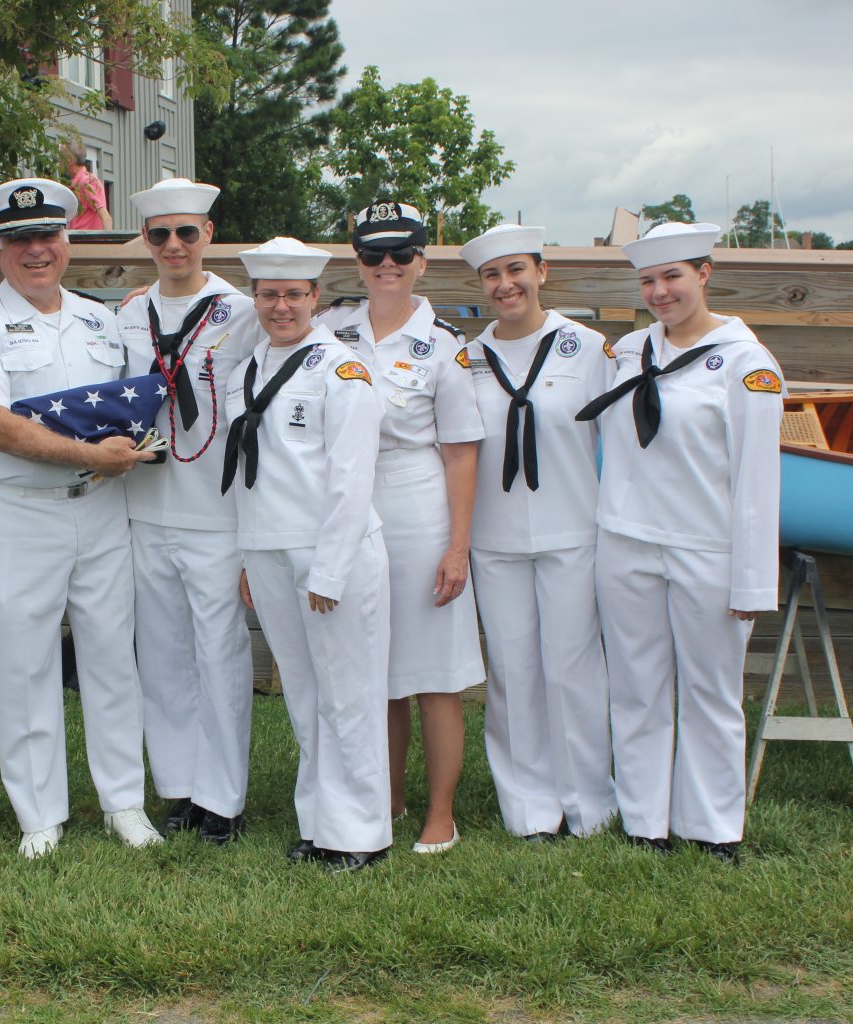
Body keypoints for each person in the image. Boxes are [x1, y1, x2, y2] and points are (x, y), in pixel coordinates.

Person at [0, 177, 160, 858]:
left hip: (99, 511)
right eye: (20, 240)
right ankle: (41, 815)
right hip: (16, 515)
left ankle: (125, 803)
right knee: (23, 665)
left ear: (67, 241)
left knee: (112, 662)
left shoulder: (101, 320)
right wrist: (92, 455)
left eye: (48, 237)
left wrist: (112, 456)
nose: (36, 250)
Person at [576, 222, 784, 863]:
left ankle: (714, 825)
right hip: (627, 542)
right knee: (636, 686)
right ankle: (646, 821)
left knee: (710, 691)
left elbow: (757, 481)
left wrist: (752, 579)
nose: (660, 292)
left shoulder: (748, 364)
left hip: (706, 548)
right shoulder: (630, 350)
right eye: (647, 280)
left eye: (672, 277)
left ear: (704, 274)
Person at [314, 201, 484, 855]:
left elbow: (462, 449)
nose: (386, 266)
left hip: (419, 510)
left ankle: (440, 813)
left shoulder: (444, 344)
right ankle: (384, 797)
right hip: (349, 507)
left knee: (434, 675)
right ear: (356, 258)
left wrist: (458, 547)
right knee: (371, 666)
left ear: (422, 260)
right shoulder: (330, 328)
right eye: (372, 254)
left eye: (401, 254)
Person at [222, 237, 391, 872]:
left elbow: (353, 478)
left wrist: (331, 567)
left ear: (316, 299)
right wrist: (248, 553)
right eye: (269, 295)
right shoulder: (247, 371)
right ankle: (320, 822)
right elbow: (249, 473)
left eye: (294, 295)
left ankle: (360, 835)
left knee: (348, 695)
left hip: (330, 554)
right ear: (256, 300)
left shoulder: (341, 370)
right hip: (268, 548)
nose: (281, 306)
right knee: (303, 695)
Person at [458, 224, 617, 841]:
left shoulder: (590, 349)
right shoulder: (467, 359)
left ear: (542, 273)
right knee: (514, 672)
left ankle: (589, 806)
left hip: (573, 530)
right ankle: (529, 809)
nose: (505, 285)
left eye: (516, 270)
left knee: (574, 671)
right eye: (492, 276)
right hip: (494, 540)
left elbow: (621, 444)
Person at [118, 179, 263, 842]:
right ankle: (178, 786)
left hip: (217, 509)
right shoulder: (125, 314)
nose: (173, 246)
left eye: (186, 233)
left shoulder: (243, 313)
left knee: (221, 656)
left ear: (208, 235)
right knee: (165, 656)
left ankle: (223, 796)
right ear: (145, 241)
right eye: (159, 235)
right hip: (147, 507)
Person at [62, 141, 113, 230]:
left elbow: (106, 218)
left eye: (61, 158)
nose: (59, 161)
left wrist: (106, 243)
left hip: (86, 242)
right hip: (78, 241)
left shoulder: (87, 183)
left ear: (70, 160)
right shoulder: (77, 183)